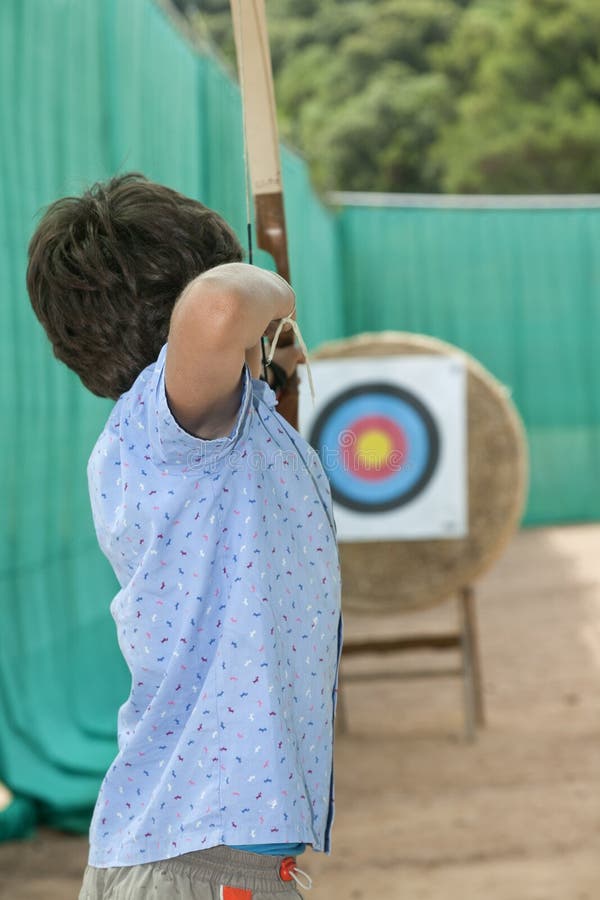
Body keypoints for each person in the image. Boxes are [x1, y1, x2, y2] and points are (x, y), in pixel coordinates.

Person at [26, 173, 342, 900]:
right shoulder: (165, 430)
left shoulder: (201, 435)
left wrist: (269, 367)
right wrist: (277, 291)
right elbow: (221, 305)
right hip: (201, 863)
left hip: (193, 856)